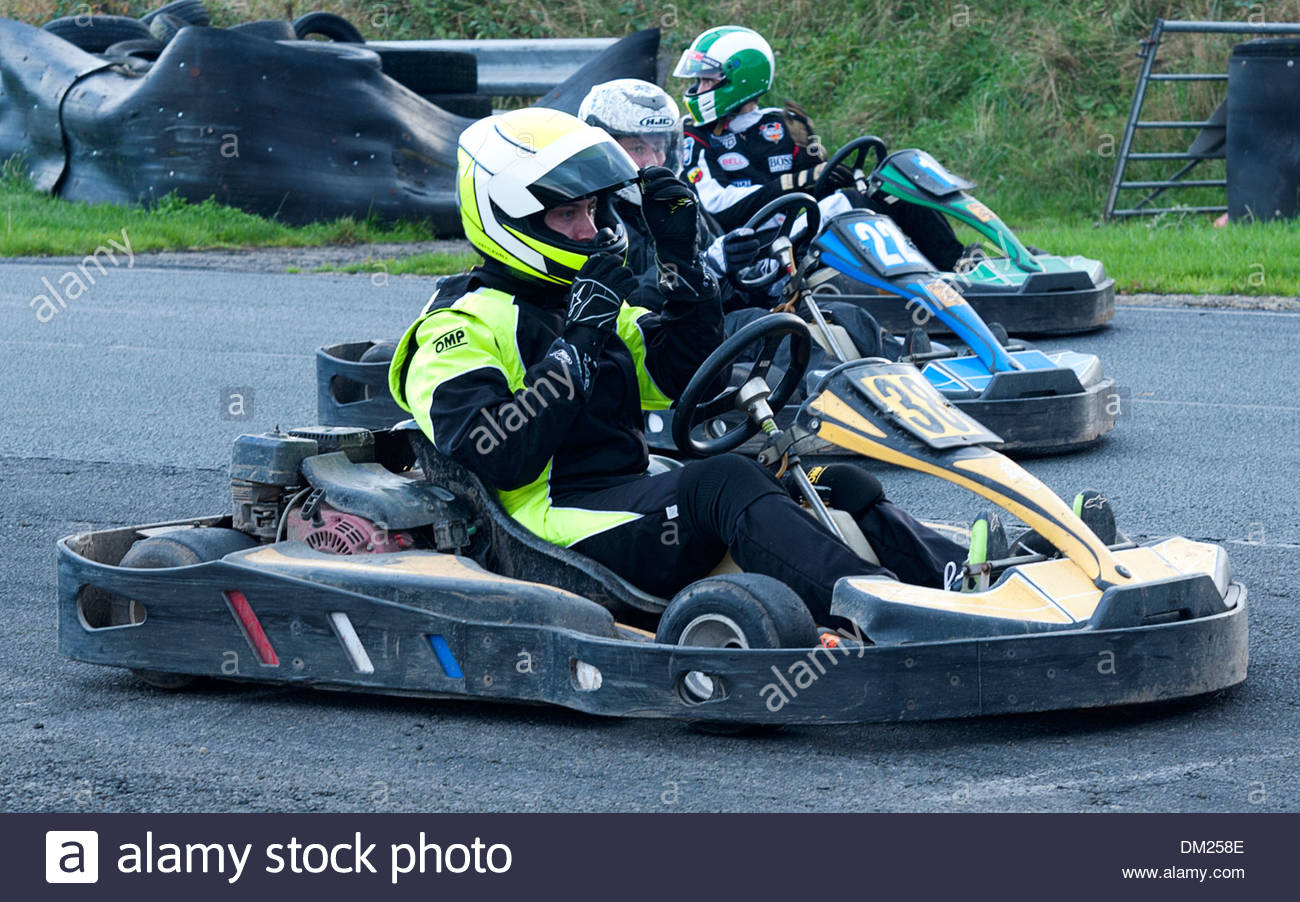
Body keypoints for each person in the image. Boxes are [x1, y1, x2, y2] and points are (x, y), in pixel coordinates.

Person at [388, 108, 966, 623]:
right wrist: (581, 339)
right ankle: (879, 611)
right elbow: (499, 454)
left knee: (832, 481)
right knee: (723, 482)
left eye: (591, 209)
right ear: (508, 216)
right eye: (569, 215)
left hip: (631, 493)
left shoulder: (586, 297)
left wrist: (685, 264)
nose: (590, 231)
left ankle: (971, 591)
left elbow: (679, 375)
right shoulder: (455, 329)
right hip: (551, 524)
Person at [674, 25, 970, 272]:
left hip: (802, 225)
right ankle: (918, 283)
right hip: (752, 246)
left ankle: (957, 267)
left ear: (739, 81)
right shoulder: (694, 134)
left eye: (707, 81)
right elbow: (717, 205)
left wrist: (828, 174)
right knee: (851, 203)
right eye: (699, 81)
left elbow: (821, 182)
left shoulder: (785, 124)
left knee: (894, 188)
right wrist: (792, 184)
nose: (697, 90)